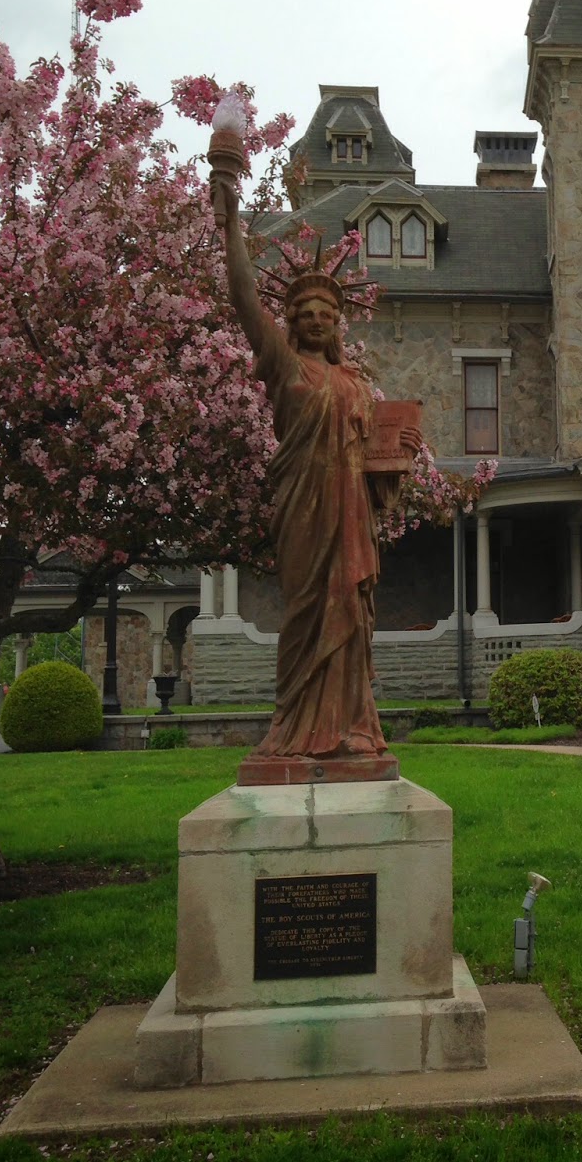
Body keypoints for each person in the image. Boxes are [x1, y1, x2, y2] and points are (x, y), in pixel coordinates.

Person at [211, 174, 417, 767]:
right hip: (304, 503)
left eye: (328, 311)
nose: (318, 319)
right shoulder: (284, 367)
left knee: (351, 612)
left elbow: (375, 466)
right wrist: (230, 226)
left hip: (352, 508)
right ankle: (294, 728)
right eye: (306, 311)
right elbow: (245, 300)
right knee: (306, 612)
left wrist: (395, 458)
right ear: (293, 321)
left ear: (338, 322)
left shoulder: (354, 382)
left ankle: (352, 727)